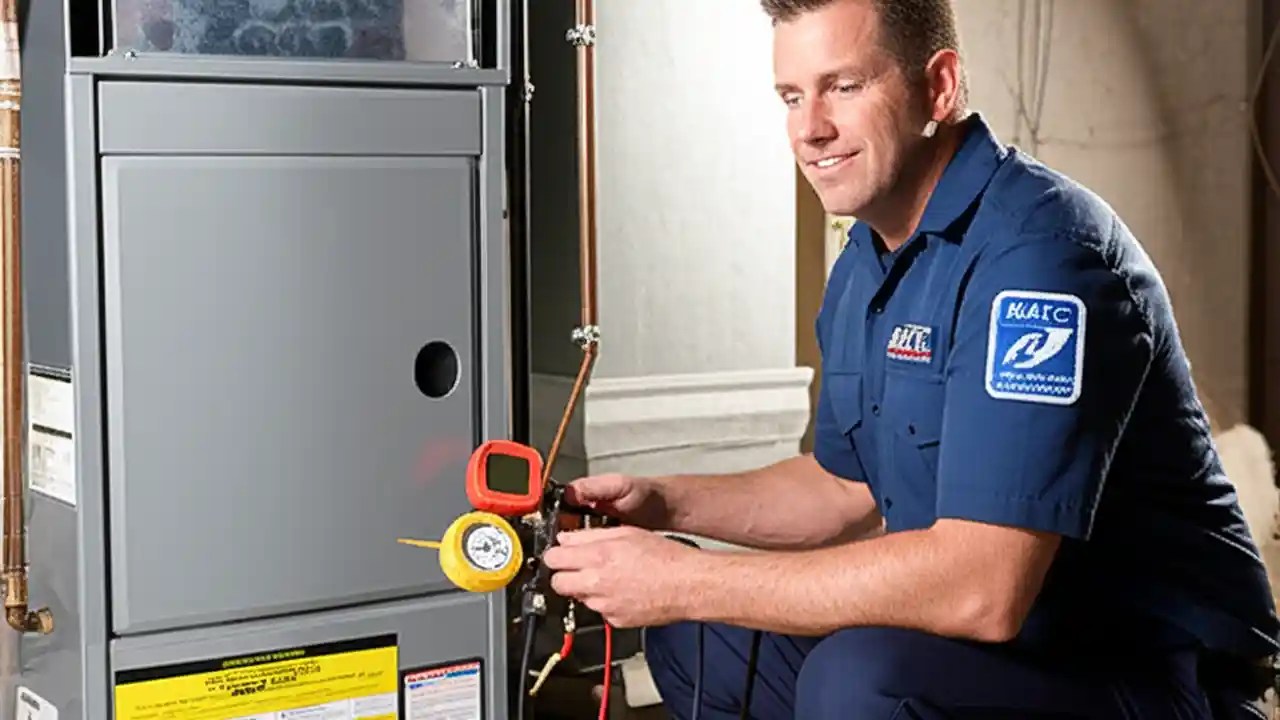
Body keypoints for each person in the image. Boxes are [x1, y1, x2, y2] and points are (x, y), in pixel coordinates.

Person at [542, 0, 1280, 717]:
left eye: (846, 85)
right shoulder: (868, 255)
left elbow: (981, 588)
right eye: (792, 96)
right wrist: (663, 502)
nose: (811, 130)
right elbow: (844, 488)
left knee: (861, 679)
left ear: (940, 85)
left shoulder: (1043, 257)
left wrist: (691, 576)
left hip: (1148, 669)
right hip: (1016, 650)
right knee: (701, 639)